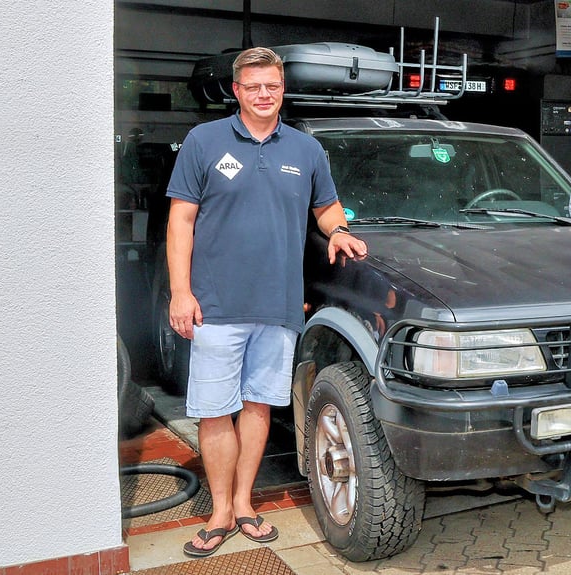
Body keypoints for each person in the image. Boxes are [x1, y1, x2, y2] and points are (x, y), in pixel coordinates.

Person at [166, 47, 368, 557]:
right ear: (236, 90)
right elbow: (181, 222)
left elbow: (326, 206)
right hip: (214, 305)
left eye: (272, 86)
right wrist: (181, 292)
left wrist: (339, 230)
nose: (264, 95)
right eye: (254, 86)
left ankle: (243, 504)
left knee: (258, 407)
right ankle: (217, 511)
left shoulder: (306, 150)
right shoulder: (203, 142)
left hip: (278, 307)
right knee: (215, 412)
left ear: (283, 89)